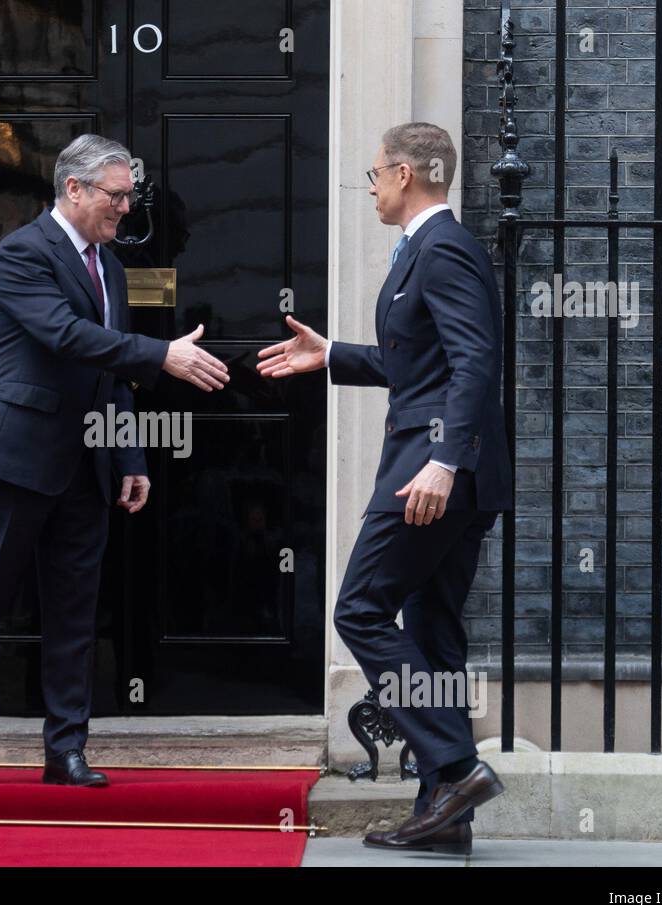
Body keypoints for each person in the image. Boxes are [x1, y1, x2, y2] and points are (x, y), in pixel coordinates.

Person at [0, 134, 230, 789]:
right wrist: (161, 355)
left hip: (86, 467)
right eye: (116, 195)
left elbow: (109, 375)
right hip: (13, 460)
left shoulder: (112, 269)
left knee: (73, 616)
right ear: (74, 189)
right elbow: (67, 336)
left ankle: (65, 752)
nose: (126, 208)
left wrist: (130, 458)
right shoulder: (20, 254)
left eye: (128, 196)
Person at [257, 122, 514, 854]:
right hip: (450, 471)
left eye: (373, 175)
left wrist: (443, 462)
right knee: (433, 636)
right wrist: (332, 353)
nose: (369, 188)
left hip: (430, 474)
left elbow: (475, 364)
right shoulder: (429, 252)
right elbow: (425, 363)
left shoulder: (443, 250)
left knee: (360, 610)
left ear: (404, 174)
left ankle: (458, 769)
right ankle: (446, 816)